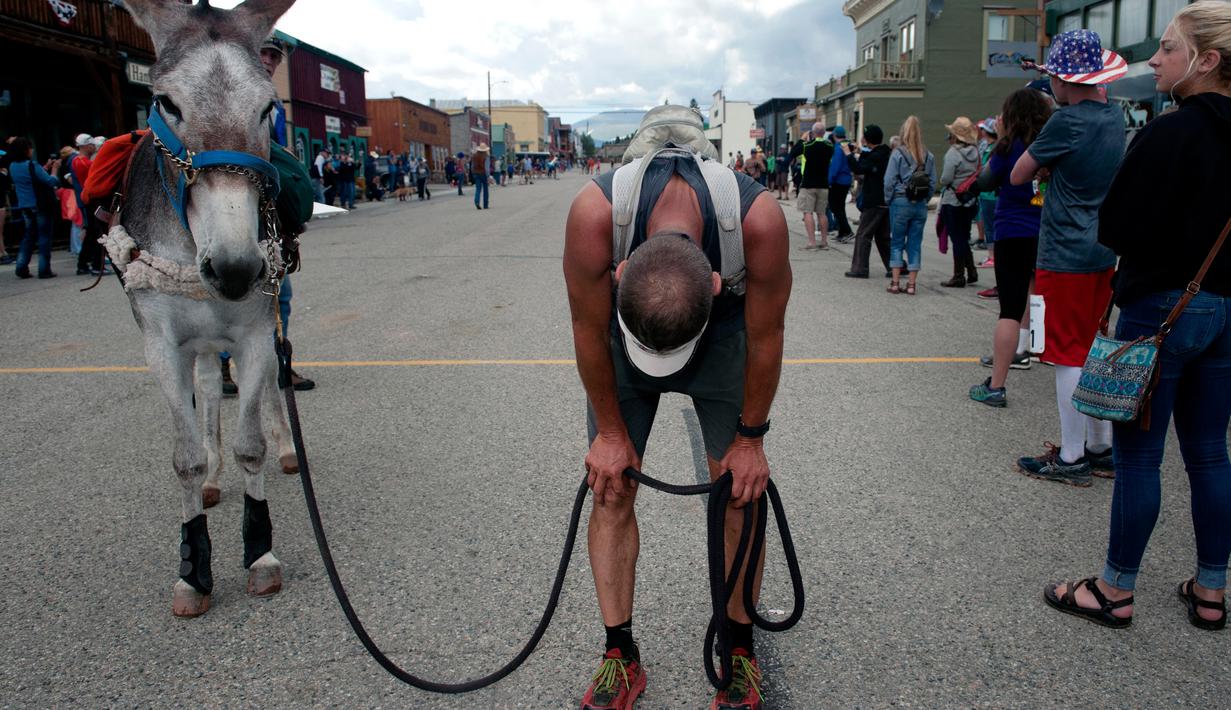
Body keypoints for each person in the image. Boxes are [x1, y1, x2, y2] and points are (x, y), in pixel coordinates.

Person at [564, 106, 791, 710]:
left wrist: (751, 440)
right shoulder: (595, 216)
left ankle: (739, 648)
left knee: (739, 488)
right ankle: (620, 653)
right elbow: (589, 330)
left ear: (717, 281)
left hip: (719, 340)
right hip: (621, 336)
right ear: (619, 272)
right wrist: (610, 433)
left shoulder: (757, 221)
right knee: (610, 485)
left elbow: (766, 338)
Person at [1043, 1, 1231, 630]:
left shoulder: (1168, 133)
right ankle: (1211, 590)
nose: (1155, 58)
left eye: (1169, 49)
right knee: (1209, 453)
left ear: (1203, 60)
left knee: (1140, 458)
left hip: (1162, 306)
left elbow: (1117, 226)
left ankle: (1115, 588)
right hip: (1225, 307)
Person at [1010, 29, 1127, 485]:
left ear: (1060, 81)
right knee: (1095, 346)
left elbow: (1020, 175)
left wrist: (1044, 162)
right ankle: (1101, 445)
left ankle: (1073, 455)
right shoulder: (1113, 118)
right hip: (1103, 250)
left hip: (1064, 252)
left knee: (1065, 354)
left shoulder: (1066, 122)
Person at [968, 91, 1052, 407]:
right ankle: (1031, 348)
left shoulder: (1008, 146)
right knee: (1036, 291)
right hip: (1045, 229)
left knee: (1010, 308)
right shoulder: (1050, 144)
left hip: (1012, 230)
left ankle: (997, 385)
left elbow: (987, 181)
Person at [884, 116, 935, 295]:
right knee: (915, 243)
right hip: (919, 203)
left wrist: (889, 199)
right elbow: (932, 182)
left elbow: (889, 180)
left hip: (900, 201)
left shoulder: (898, 154)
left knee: (897, 242)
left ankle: (895, 282)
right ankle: (912, 284)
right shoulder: (928, 156)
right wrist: (925, 199)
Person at [937, 117, 981, 288]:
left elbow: (946, 178)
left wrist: (945, 181)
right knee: (964, 235)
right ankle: (971, 270)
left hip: (953, 199)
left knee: (957, 238)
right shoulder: (975, 152)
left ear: (955, 136)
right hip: (969, 200)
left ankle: (958, 275)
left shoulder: (953, 153)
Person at [844, 124, 893, 279]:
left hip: (873, 200)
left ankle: (860, 268)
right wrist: (863, 150)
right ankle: (895, 265)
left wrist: (849, 155)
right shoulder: (886, 153)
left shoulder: (875, 156)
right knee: (883, 236)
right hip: (886, 200)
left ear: (867, 139)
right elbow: (867, 164)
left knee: (863, 235)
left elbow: (859, 169)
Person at [8, 137, 60, 279]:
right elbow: (50, 181)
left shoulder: (13, 166)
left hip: (25, 205)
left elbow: (30, 178)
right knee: (44, 237)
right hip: (40, 204)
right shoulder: (32, 164)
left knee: (28, 237)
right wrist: (54, 170)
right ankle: (44, 269)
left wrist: (45, 167)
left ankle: (21, 266)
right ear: (26, 150)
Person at [789, 122, 834, 250]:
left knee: (807, 212)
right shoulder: (829, 146)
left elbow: (793, 153)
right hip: (823, 183)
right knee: (822, 213)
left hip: (809, 183)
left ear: (813, 132)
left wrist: (802, 139)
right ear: (824, 133)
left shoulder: (807, 146)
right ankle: (824, 241)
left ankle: (812, 242)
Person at [827, 126, 855, 242]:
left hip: (838, 181)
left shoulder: (838, 148)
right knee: (840, 207)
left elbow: (835, 166)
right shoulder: (847, 146)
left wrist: (829, 180)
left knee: (835, 206)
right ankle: (842, 232)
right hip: (846, 180)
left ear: (834, 135)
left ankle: (847, 230)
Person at [471, 143, 491, 210]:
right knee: (485, 190)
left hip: (476, 174)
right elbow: (487, 167)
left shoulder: (474, 156)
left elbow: (472, 167)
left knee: (478, 189)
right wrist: (488, 176)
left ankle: (477, 202)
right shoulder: (486, 156)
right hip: (484, 174)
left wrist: (473, 173)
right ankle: (485, 205)